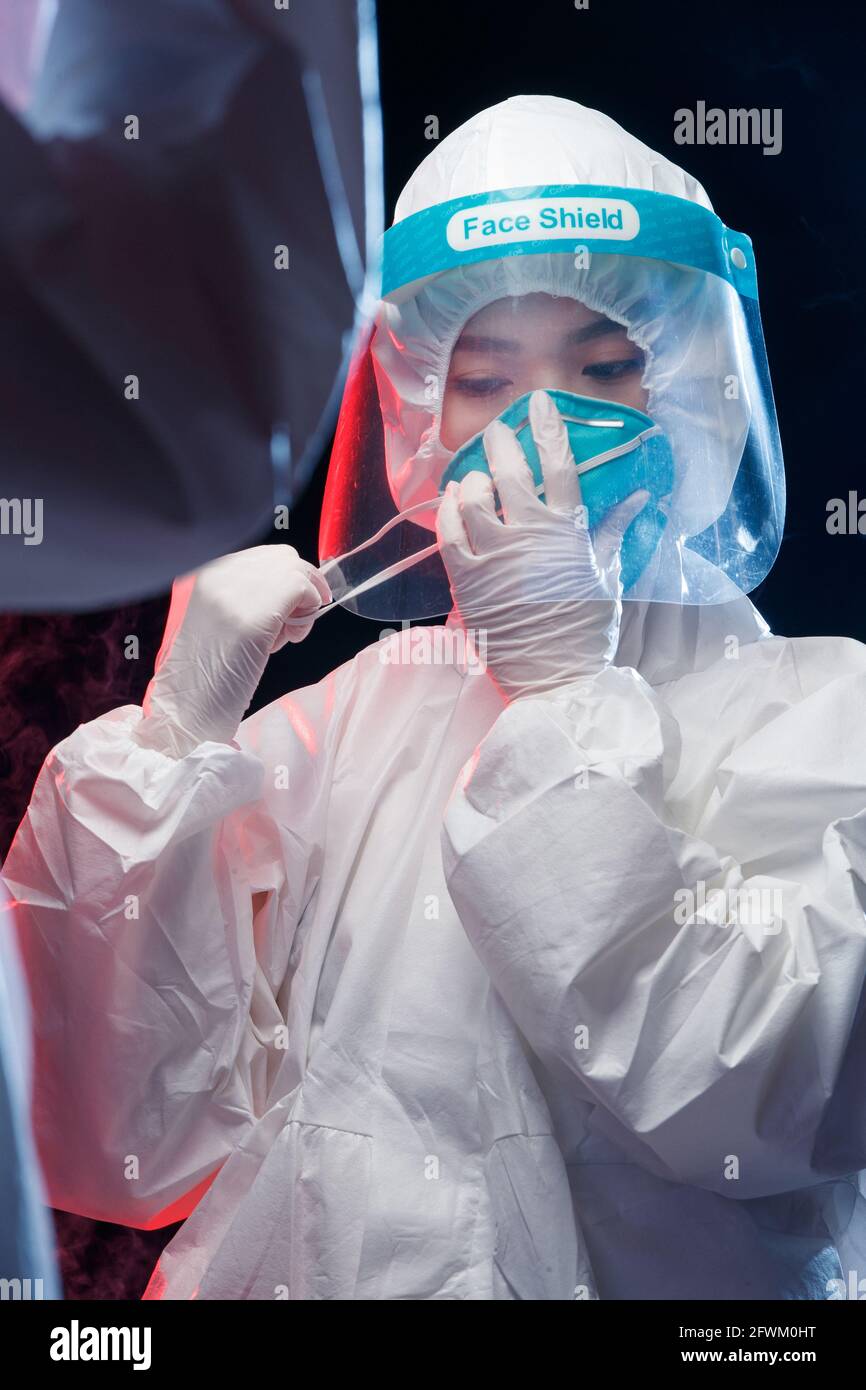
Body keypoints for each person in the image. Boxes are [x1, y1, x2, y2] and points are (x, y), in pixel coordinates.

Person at [5, 95, 866, 1301]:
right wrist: (171, 746)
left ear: (694, 388)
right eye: (483, 377)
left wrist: (565, 700)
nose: (538, 426)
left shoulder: (822, 718)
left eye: (605, 366)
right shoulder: (337, 727)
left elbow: (775, 1096)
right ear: (418, 418)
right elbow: (113, 1128)